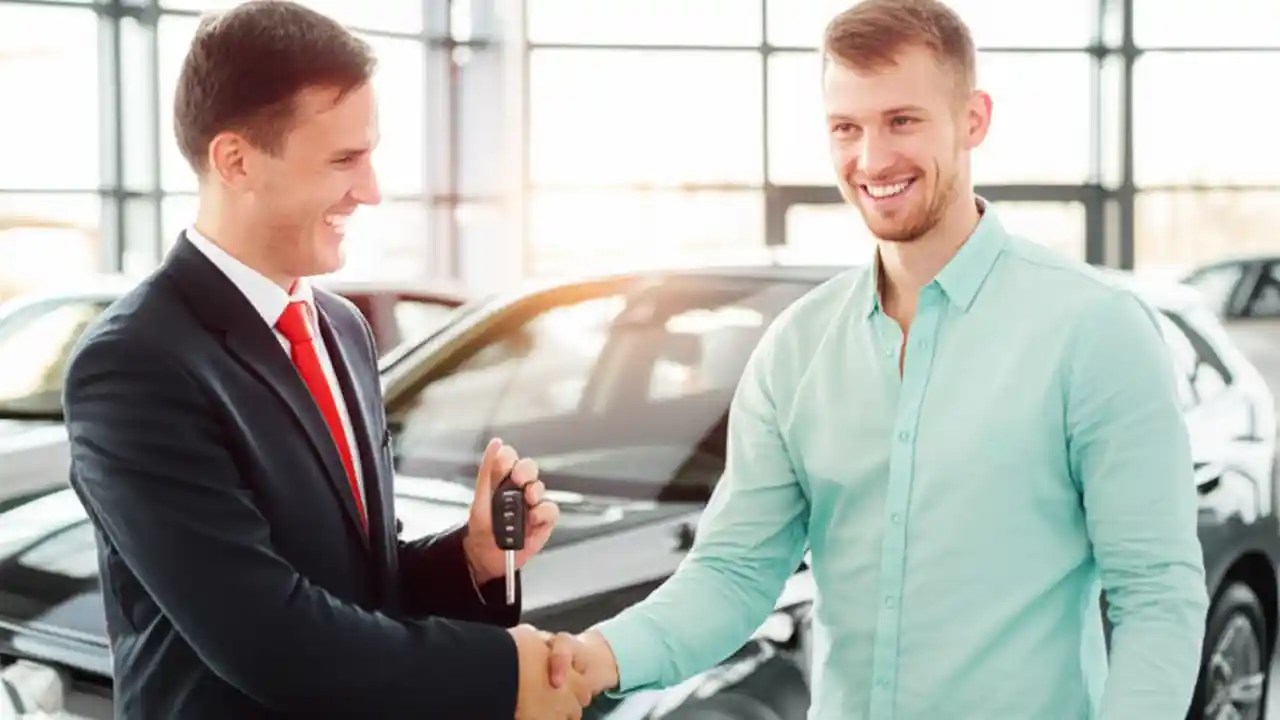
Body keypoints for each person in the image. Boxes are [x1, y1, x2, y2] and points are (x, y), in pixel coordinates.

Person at [545, 0, 1209, 717]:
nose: (872, 159)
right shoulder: (797, 348)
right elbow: (733, 574)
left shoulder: (1094, 331)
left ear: (974, 120)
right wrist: (592, 660)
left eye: (902, 121)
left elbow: (1157, 599)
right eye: (846, 128)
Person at [61, 2, 589, 718]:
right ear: (236, 160)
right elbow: (267, 634)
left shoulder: (341, 328)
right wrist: (509, 673)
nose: (371, 190)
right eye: (344, 159)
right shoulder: (134, 367)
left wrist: (467, 559)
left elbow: (357, 580)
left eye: (369, 154)